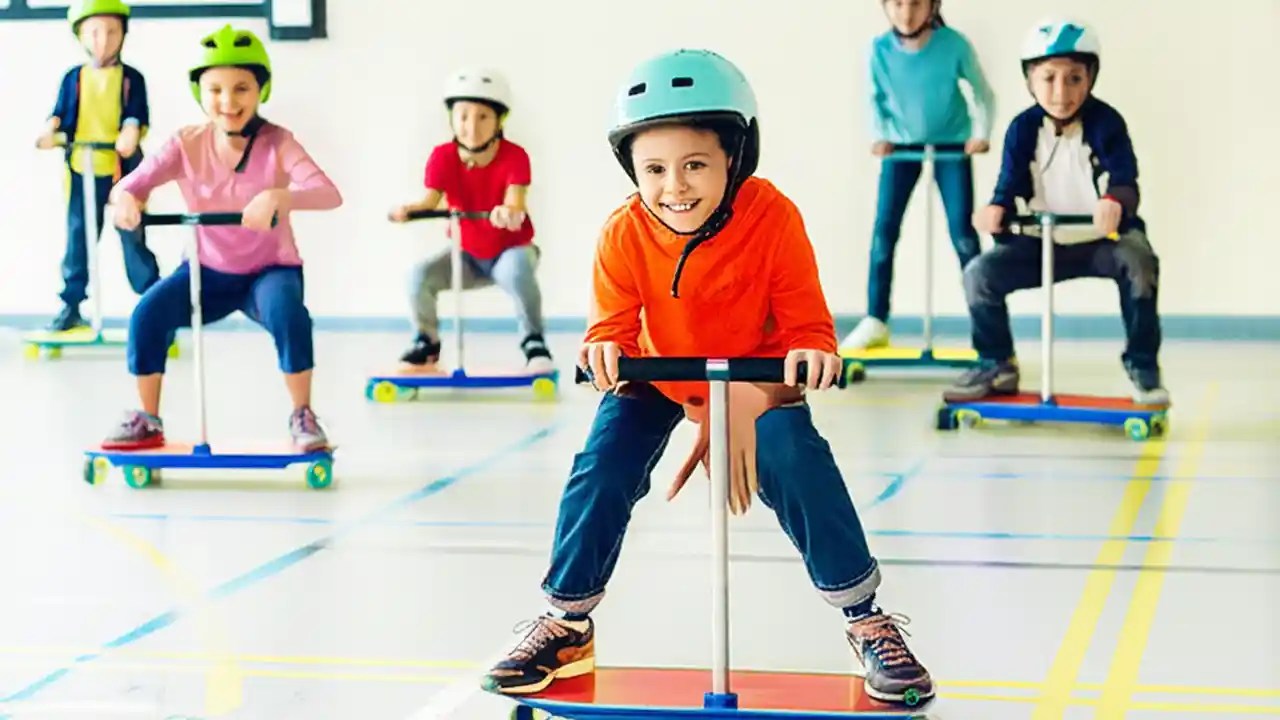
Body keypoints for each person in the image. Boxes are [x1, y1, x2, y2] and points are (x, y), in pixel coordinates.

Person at [479, 49, 934, 706]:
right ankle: (566, 622)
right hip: (658, 374)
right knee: (601, 466)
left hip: (756, 377)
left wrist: (809, 355)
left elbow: (807, 324)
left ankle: (866, 619)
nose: (675, 186)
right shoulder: (623, 232)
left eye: (695, 165)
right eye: (654, 170)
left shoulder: (772, 217)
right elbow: (609, 324)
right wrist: (603, 349)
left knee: (798, 461)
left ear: (734, 161)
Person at [99, 25, 343, 451]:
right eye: (216, 89)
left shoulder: (278, 142)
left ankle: (303, 415)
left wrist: (280, 195)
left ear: (260, 91)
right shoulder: (185, 143)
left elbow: (329, 194)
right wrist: (124, 200)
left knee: (289, 314)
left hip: (270, 271)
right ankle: (148, 419)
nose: (228, 102)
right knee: (147, 316)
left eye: (242, 88)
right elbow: (129, 186)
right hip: (205, 272)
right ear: (200, 92)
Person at [943, 18, 1169, 405]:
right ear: (1030, 80)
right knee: (979, 274)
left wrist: (1115, 201)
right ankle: (996, 361)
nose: (1061, 93)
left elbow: (1125, 178)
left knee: (1140, 262)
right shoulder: (1022, 129)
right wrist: (996, 209)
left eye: (1074, 79)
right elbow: (1009, 185)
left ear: (1091, 78)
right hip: (1040, 241)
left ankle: (1143, 364)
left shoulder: (1107, 122)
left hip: (1101, 241)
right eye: (1049, 78)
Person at [842, 0, 996, 350]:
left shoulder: (954, 45)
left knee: (963, 235)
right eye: (897, 4)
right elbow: (875, 100)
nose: (906, 13)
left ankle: (986, 325)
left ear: (933, 6)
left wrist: (981, 134)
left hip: (951, 146)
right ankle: (876, 319)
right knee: (885, 231)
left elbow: (983, 93)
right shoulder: (879, 50)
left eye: (915, 3)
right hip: (901, 148)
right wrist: (879, 134)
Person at [389, 68, 553, 374]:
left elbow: (515, 201)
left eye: (482, 117)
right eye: (463, 116)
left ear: (499, 120)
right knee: (418, 277)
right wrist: (409, 210)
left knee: (517, 270)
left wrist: (508, 212)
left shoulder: (515, 156)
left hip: (510, 250)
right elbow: (429, 201)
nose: (472, 127)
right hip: (466, 255)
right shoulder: (442, 157)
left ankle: (534, 342)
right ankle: (426, 343)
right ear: (451, 118)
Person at [36, 0, 160, 332]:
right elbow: (60, 114)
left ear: (123, 34)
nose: (103, 40)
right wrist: (50, 131)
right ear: (80, 35)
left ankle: (154, 304)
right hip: (82, 165)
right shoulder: (74, 78)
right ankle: (72, 305)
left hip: (123, 170)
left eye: (111, 31)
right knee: (79, 236)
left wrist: (130, 131)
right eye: (94, 32)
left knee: (131, 233)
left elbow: (136, 113)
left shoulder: (131, 78)